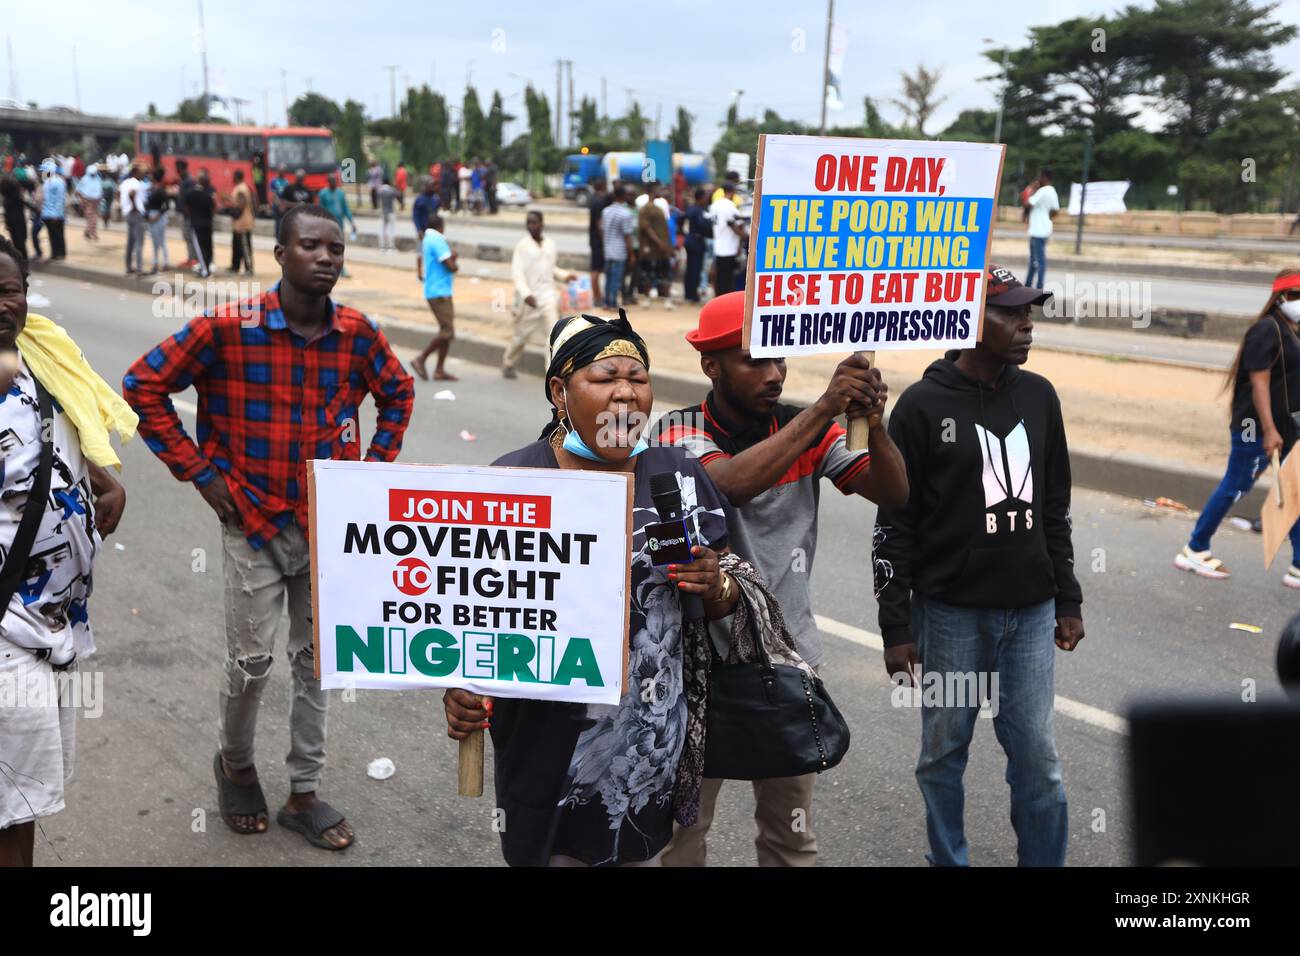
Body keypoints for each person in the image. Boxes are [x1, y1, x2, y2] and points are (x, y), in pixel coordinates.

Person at [122, 204, 415, 852]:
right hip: (250, 521)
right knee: (251, 662)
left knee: (317, 663)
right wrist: (201, 475)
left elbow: (398, 393)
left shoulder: (357, 334)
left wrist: (368, 475)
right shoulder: (228, 328)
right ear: (279, 253)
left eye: (335, 248)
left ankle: (304, 790)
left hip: (326, 525)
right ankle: (236, 763)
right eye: (310, 246)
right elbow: (144, 386)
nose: (326, 258)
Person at [443, 313, 758, 867]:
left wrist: (716, 584)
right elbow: (470, 608)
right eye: (605, 377)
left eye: (638, 378)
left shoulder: (680, 476)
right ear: (560, 391)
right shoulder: (513, 481)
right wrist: (462, 689)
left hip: (646, 747)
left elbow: (738, 592)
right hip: (544, 745)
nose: (625, 393)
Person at [656, 291, 909, 867]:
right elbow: (730, 484)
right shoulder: (678, 432)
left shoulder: (811, 430)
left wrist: (872, 421)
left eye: (780, 360)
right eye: (753, 360)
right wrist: (824, 408)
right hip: (698, 665)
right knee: (680, 832)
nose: (773, 374)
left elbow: (894, 494)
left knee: (791, 837)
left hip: (788, 659)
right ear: (710, 365)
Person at [873, 264, 1084, 867]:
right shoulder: (920, 405)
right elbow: (895, 522)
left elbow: (1054, 505)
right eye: (1009, 313)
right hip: (949, 617)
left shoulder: (1039, 396)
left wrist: (1067, 599)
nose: (1026, 325)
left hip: (1031, 611)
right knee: (943, 754)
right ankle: (950, 860)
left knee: (1038, 760)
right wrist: (895, 626)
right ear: (966, 319)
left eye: (1028, 312)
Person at [0, 235, 132, 867]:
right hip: (5, 630)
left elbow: (61, 440)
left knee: (20, 801)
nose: (2, 305)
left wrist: (101, 479)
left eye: (10, 290)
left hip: (53, 624)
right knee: (11, 810)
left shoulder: (38, 360)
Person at [1178, 269, 1300, 584]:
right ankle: (1195, 547)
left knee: (1294, 488)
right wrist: (1270, 431)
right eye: (1297, 295)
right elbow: (1260, 385)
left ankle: (1299, 564)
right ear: (1281, 297)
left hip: (1284, 425)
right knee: (1236, 485)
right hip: (1254, 426)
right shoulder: (1265, 330)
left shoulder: (1291, 329)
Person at [503, 210, 574, 379]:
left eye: (534, 223)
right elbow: (517, 273)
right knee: (521, 335)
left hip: (548, 295)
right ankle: (508, 362)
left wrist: (565, 275)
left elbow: (551, 268)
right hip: (529, 299)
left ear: (542, 223)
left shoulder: (550, 244)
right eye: (528, 223)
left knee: (553, 333)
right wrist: (526, 294)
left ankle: (551, 372)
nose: (531, 226)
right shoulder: (522, 246)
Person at [412, 213, 458, 381]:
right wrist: (454, 259)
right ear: (441, 225)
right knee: (447, 331)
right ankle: (421, 358)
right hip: (439, 292)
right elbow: (451, 266)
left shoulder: (427, 239)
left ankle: (439, 370)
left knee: (447, 331)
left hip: (438, 290)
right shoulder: (438, 240)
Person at [636, 184, 674, 309]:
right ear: (652, 191)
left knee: (665, 274)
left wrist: (667, 245)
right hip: (651, 250)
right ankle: (647, 299)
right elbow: (646, 228)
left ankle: (666, 299)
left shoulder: (659, 208)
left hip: (662, 249)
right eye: (659, 189)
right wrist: (659, 243)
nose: (662, 192)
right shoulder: (645, 209)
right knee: (648, 275)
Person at [600, 185, 636, 309]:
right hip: (619, 250)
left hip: (608, 250)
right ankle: (613, 303)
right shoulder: (625, 213)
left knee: (608, 277)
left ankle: (606, 302)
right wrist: (631, 254)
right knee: (616, 278)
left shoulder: (606, 211)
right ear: (624, 196)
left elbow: (603, 230)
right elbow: (627, 236)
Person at [1023, 169, 1058, 288]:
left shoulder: (1042, 191)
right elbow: (1055, 210)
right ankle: (1028, 284)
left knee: (1038, 261)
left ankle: (1038, 286)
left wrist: (1031, 188)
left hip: (1037, 229)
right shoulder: (1052, 191)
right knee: (1034, 260)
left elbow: (1028, 203)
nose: (1039, 179)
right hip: (1044, 228)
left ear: (1044, 177)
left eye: (1040, 177)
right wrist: (1046, 217)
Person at [709, 181, 743, 296]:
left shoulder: (714, 205)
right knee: (728, 280)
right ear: (732, 192)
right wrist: (744, 235)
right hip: (729, 248)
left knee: (719, 278)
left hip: (718, 246)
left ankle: (717, 300)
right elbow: (735, 224)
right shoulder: (730, 205)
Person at [682, 188, 712, 303]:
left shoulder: (689, 209)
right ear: (701, 198)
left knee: (689, 268)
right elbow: (703, 226)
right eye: (705, 196)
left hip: (689, 240)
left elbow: (682, 220)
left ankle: (687, 293)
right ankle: (693, 294)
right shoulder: (699, 211)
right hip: (697, 242)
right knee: (695, 269)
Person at [188, 170, 216, 279]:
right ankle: (207, 267)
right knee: (208, 247)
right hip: (207, 224)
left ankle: (204, 271)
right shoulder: (208, 194)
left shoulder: (191, 193)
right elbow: (213, 209)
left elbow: (186, 208)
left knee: (200, 248)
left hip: (196, 224)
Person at [228, 169, 256, 276]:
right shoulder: (238, 188)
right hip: (238, 224)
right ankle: (235, 266)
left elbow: (240, 206)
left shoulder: (242, 189)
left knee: (245, 246)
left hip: (243, 223)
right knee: (236, 246)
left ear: (237, 177)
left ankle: (249, 268)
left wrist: (230, 208)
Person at [119, 165, 146, 276]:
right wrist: (134, 206)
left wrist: (125, 206)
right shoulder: (135, 183)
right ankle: (139, 268)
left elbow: (118, 193)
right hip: (135, 213)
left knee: (130, 241)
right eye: (140, 172)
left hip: (127, 214)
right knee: (139, 241)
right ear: (135, 173)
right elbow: (131, 193)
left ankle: (129, 267)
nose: (142, 175)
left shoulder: (124, 182)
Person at [145, 167, 173, 274]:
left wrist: (157, 216)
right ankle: (156, 263)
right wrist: (147, 216)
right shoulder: (151, 188)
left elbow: (166, 206)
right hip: (151, 216)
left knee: (160, 241)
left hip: (159, 217)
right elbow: (146, 205)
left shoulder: (160, 190)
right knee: (155, 242)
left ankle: (164, 262)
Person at [587, 178, 609, 303]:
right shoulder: (599, 202)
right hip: (598, 241)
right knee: (596, 269)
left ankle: (598, 294)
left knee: (596, 268)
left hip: (593, 238)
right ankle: (596, 296)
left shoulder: (593, 200)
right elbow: (599, 223)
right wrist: (604, 240)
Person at [175, 159, 198, 270]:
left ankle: (193, 259)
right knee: (187, 237)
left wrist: (187, 213)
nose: (177, 170)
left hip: (187, 216)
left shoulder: (189, 181)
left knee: (189, 237)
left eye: (178, 168)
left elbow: (190, 200)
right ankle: (190, 258)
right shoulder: (183, 180)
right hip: (184, 214)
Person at [39, 165, 67, 260]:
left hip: (56, 214)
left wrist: (56, 214)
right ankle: (54, 254)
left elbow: (60, 199)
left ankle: (61, 254)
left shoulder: (58, 182)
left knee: (58, 234)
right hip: (47, 213)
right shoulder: (46, 183)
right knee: (51, 235)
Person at [1, 176, 27, 259]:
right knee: (21, 243)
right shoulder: (17, 199)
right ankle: (23, 259)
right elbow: (27, 204)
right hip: (19, 221)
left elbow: (6, 214)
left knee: (17, 243)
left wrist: (6, 223)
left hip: (11, 222)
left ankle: (21, 259)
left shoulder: (6, 200)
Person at [74, 165, 102, 241]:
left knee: (91, 217)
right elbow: (78, 191)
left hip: (93, 201)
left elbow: (78, 191)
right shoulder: (90, 179)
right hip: (88, 201)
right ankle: (92, 232)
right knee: (92, 217)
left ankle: (88, 231)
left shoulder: (95, 179)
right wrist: (81, 199)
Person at [377, 176, 399, 253]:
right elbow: (397, 197)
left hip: (383, 212)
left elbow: (378, 200)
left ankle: (382, 247)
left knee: (382, 230)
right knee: (391, 230)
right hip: (391, 212)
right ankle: (390, 247)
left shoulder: (380, 191)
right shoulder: (392, 190)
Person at [269, 163, 289, 241]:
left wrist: (285, 205)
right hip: (277, 207)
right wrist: (279, 205)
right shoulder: (274, 181)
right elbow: (274, 195)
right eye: (281, 171)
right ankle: (278, 240)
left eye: (284, 171)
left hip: (285, 206)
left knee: (285, 223)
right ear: (278, 171)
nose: (283, 172)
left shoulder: (286, 182)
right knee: (278, 224)